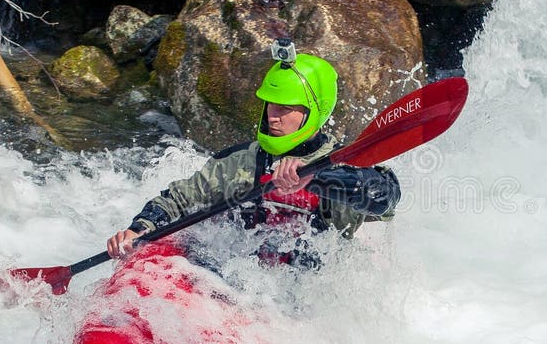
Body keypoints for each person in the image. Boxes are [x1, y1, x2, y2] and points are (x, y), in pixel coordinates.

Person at [106, 45, 401, 268]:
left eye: (285, 109)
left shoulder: (348, 165)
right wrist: (138, 230)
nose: (273, 117)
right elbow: (177, 200)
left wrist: (318, 177)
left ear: (314, 112)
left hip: (302, 299)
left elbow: (384, 197)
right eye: (271, 106)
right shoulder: (241, 161)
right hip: (239, 280)